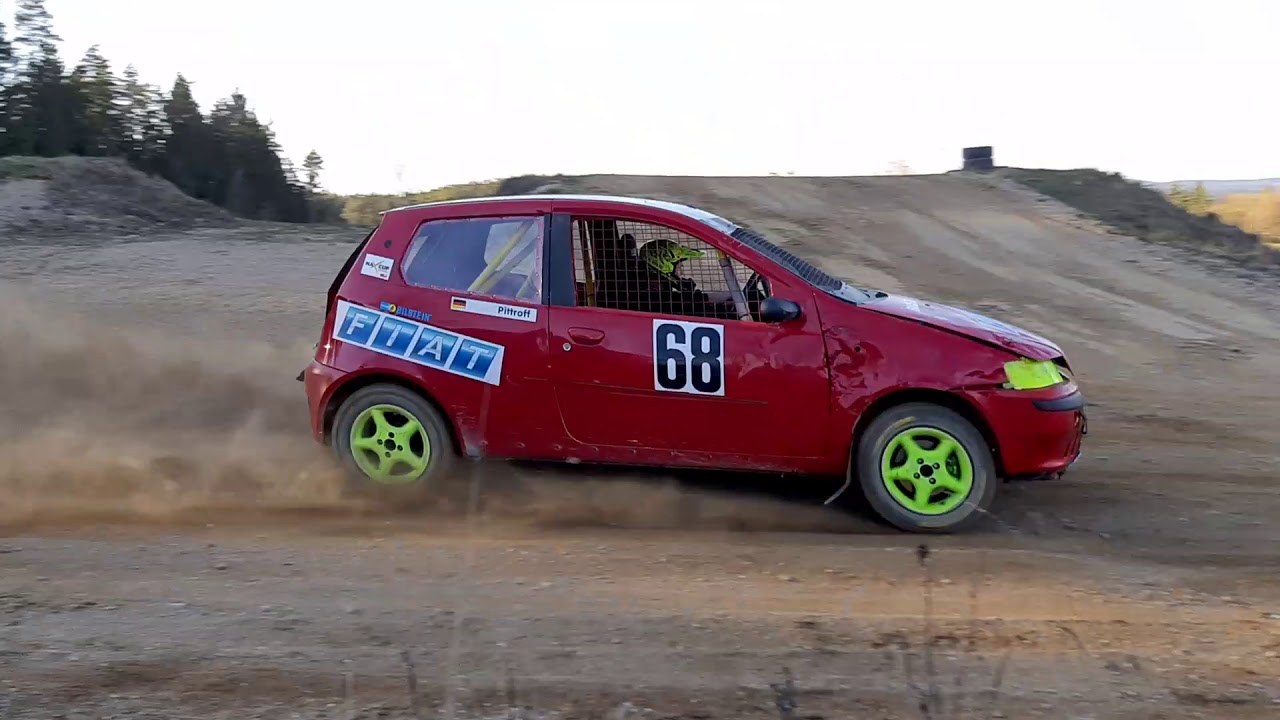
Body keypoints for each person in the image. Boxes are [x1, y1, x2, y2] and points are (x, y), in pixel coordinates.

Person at [635, 239, 740, 320]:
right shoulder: (653, 291)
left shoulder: (656, 285)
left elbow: (683, 301)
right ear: (664, 264)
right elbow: (684, 308)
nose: (681, 272)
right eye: (679, 267)